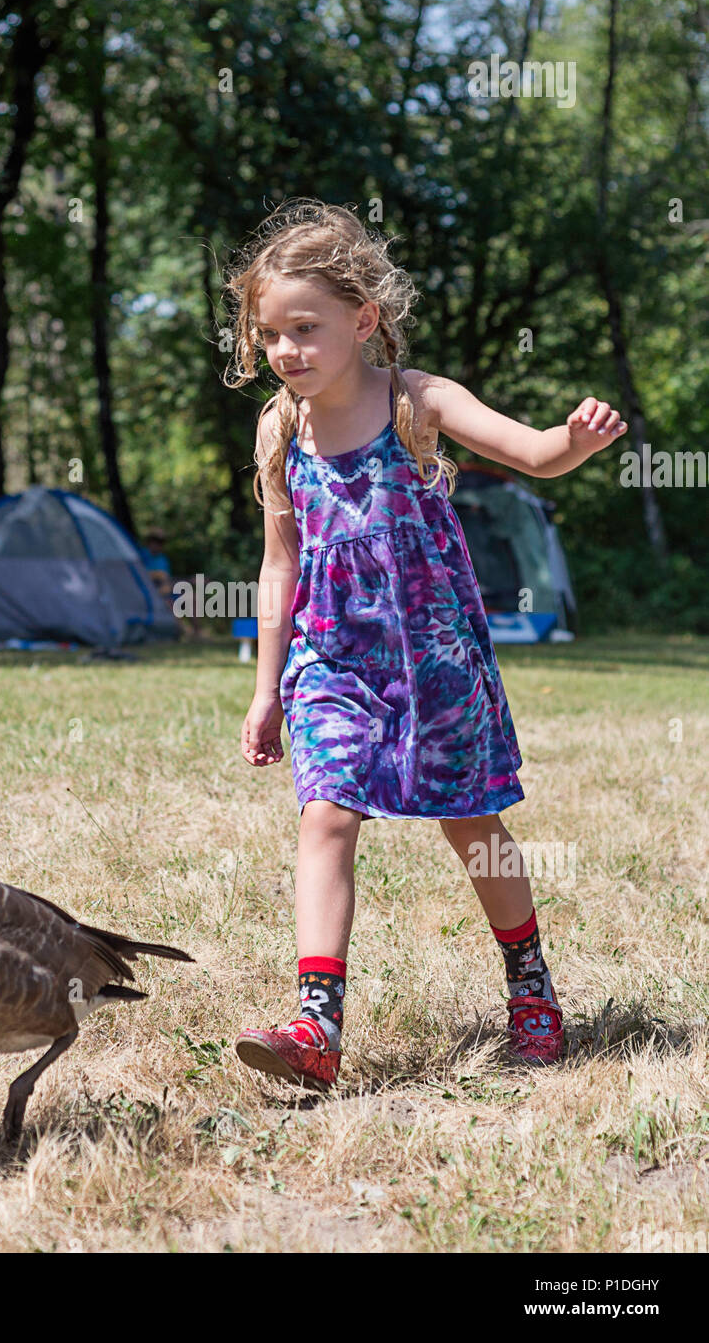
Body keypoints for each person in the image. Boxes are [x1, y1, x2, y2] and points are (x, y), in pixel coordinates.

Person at [225, 199, 627, 1092]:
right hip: (330, 665)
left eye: (305, 328)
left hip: (432, 661)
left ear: (361, 320)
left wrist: (575, 438)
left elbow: (531, 453)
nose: (287, 350)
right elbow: (277, 567)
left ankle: (530, 990)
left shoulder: (416, 400)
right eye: (270, 335)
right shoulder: (280, 431)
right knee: (325, 813)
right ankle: (316, 1025)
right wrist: (265, 690)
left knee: (470, 823)